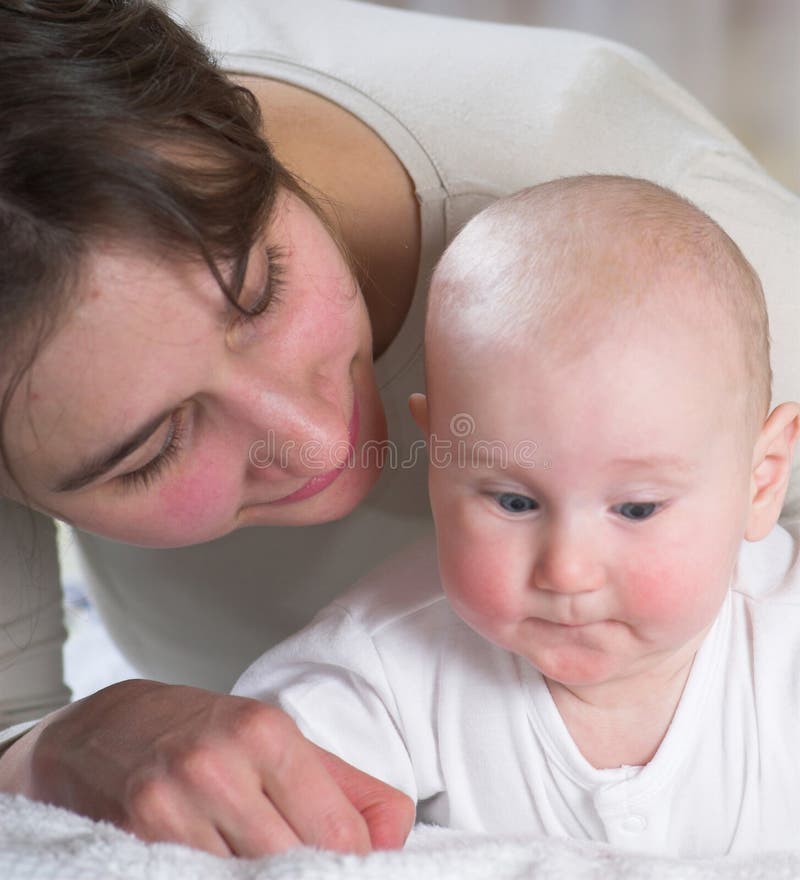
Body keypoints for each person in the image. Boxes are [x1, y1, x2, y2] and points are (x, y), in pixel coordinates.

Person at [0, 0, 798, 858]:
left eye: (262, 290)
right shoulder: (370, 665)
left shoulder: (703, 256)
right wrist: (47, 747)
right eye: (153, 449)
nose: (322, 442)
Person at [234, 176, 800, 857]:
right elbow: (254, 809)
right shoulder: (383, 664)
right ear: (440, 457)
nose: (567, 570)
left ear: (760, 482)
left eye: (636, 508)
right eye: (514, 502)